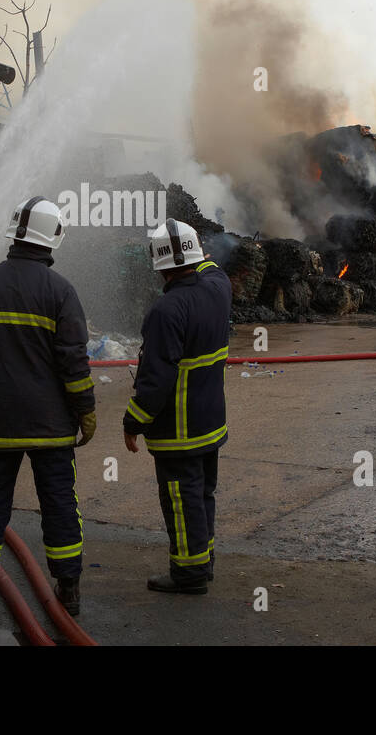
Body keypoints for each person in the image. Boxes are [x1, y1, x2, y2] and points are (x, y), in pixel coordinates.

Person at [0, 197, 96, 619]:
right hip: (51, 426)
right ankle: (68, 589)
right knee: (58, 502)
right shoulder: (61, 291)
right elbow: (74, 361)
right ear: (52, 239)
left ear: (15, 234)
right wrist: (85, 409)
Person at [123, 219, 230, 593]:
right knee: (201, 495)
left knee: (182, 501)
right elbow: (210, 266)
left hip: (178, 430)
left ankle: (189, 574)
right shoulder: (219, 287)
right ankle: (205, 561)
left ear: (160, 266)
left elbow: (155, 380)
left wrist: (133, 421)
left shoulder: (166, 311)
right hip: (210, 422)